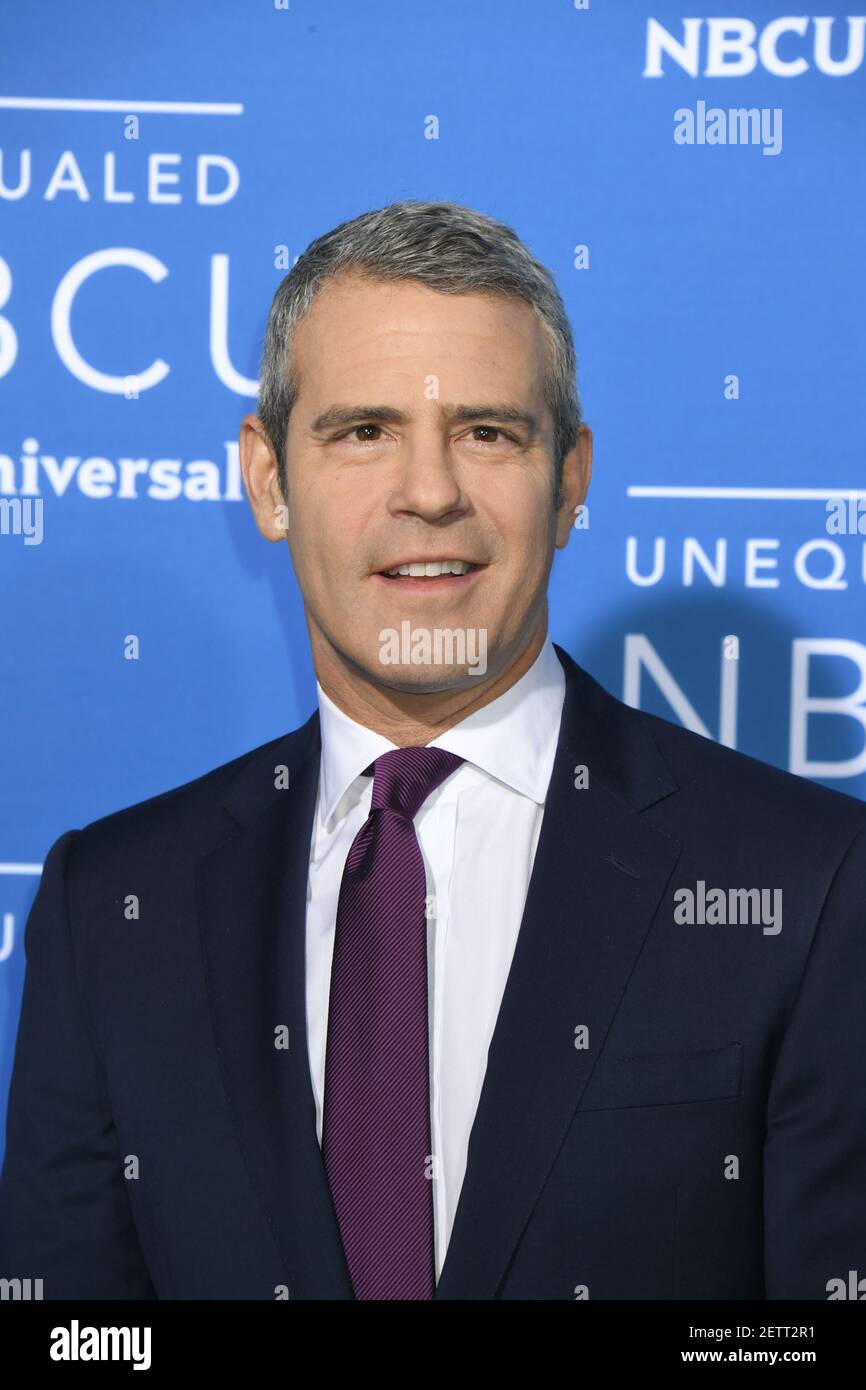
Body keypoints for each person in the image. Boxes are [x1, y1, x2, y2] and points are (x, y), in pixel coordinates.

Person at [1, 200, 864, 1300]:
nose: (429, 493)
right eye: (363, 431)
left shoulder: (806, 883)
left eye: (486, 432)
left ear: (569, 480)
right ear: (266, 479)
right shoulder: (113, 907)